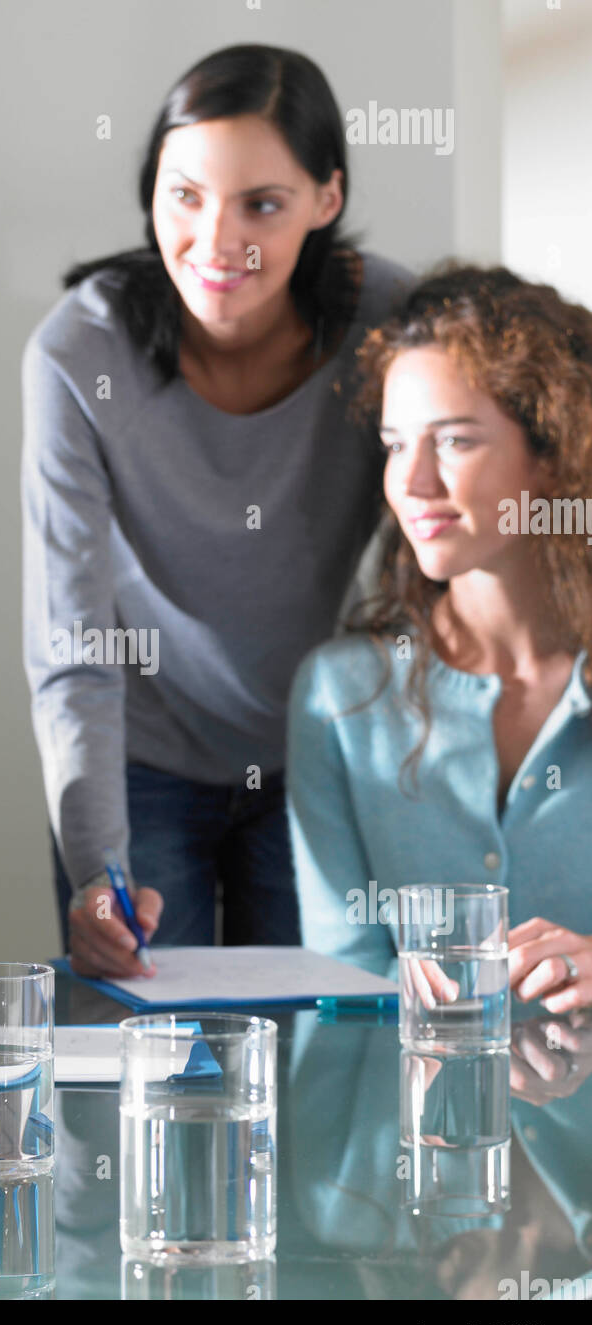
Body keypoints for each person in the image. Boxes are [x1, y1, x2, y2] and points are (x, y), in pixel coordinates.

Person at [22, 43, 411, 977]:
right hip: (137, 766)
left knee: (315, 1058)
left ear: (327, 199)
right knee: (160, 1071)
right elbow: (72, 649)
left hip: (314, 761)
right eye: (183, 194)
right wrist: (96, 874)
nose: (214, 241)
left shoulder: (389, 322)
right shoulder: (79, 352)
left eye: (261, 205)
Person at [287, 264, 592, 1015]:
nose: (412, 482)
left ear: (549, 453)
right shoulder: (339, 696)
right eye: (395, 444)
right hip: (416, 1125)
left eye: (453, 441)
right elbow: (346, 988)